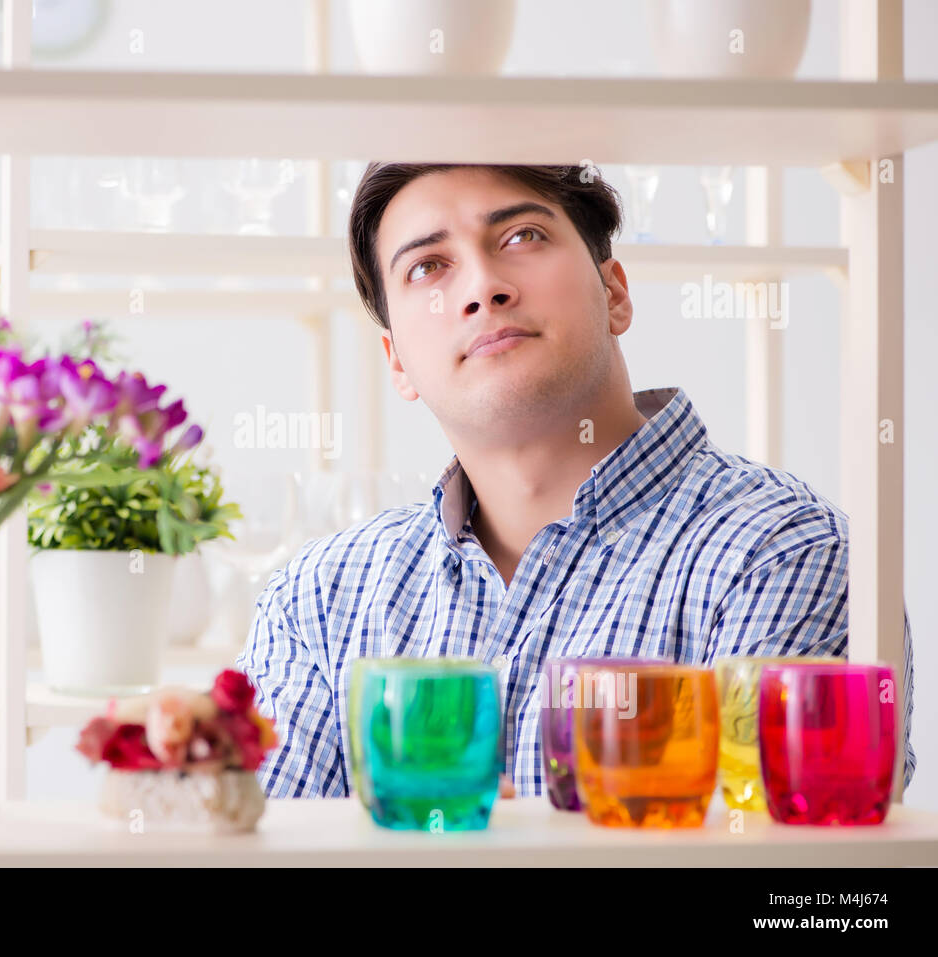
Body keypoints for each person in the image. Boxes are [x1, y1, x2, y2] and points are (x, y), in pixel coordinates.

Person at [235, 163, 916, 800]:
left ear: (615, 292)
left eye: (522, 235)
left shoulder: (782, 553)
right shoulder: (319, 601)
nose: (482, 287)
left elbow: (794, 897)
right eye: (429, 266)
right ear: (398, 363)